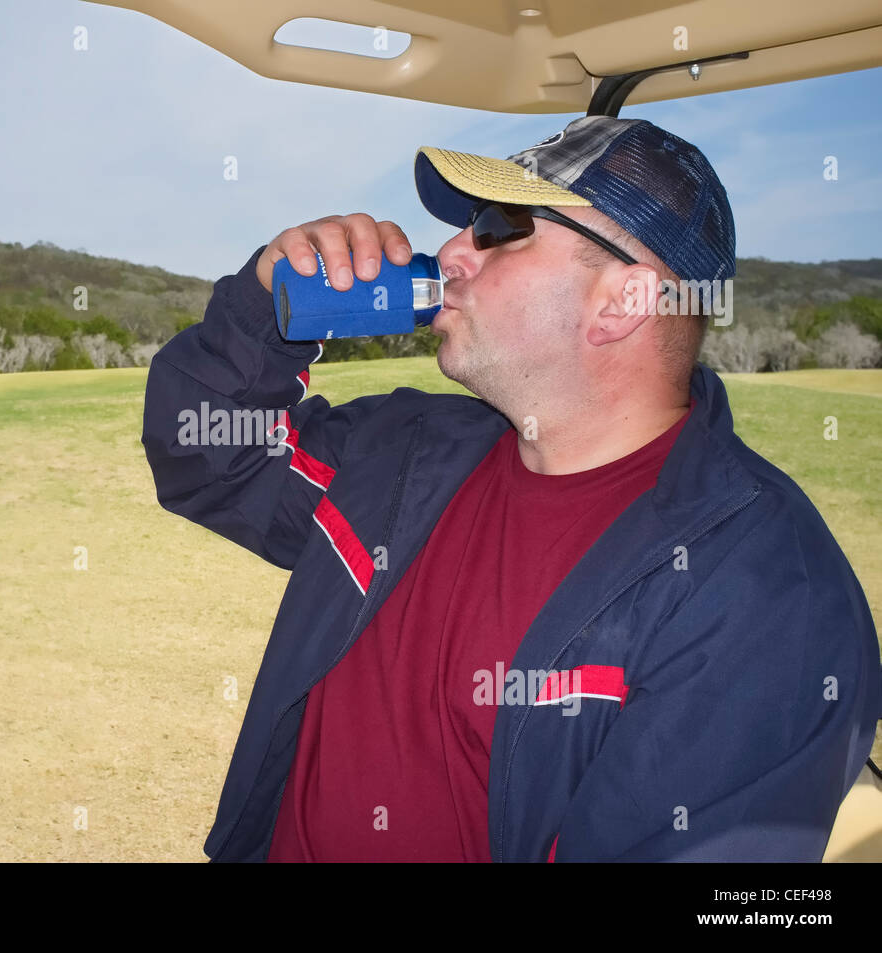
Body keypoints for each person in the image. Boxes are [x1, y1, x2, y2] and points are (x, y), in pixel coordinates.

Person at [140, 115, 882, 862]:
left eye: (497, 227)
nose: (452, 251)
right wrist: (265, 309)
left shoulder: (771, 596)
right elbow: (204, 450)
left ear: (622, 301)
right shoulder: (404, 448)